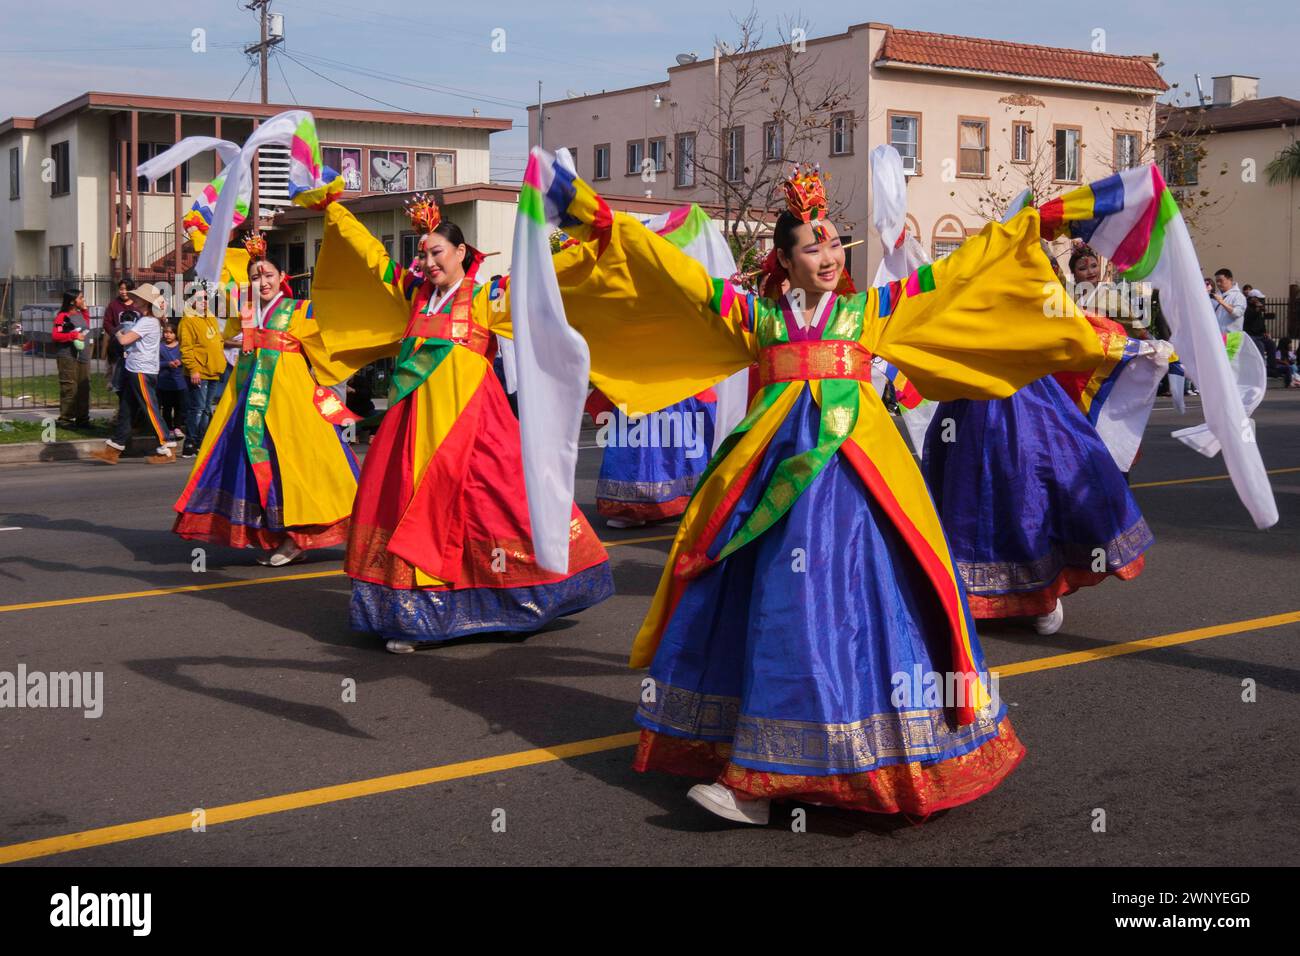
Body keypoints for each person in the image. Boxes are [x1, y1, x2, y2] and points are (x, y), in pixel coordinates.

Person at [504, 156, 1102, 823]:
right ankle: (758, 772)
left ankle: (835, 763)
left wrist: (1046, 217)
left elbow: (960, 270)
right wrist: (587, 211)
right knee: (773, 614)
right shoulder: (756, 318)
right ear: (783, 262)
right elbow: (673, 275)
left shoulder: (871, 310)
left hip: (859, 492)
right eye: (810, 243)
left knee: (846, 614)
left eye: (830, 240)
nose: (825, 251)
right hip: (769, 488)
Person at [294, 190, 614, 652]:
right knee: (406, 509)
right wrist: (333, 210)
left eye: (436, 251)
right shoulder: (414, 295)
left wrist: (587, 234)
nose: (427, 261)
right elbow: (372, 257)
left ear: (462, 252)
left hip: (473, 427)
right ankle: (413, 617)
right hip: (412, 429)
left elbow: (548, 275)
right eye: (422, 253)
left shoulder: (487, 297)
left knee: (497, 508)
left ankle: (516, 600)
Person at [172, 235, 360, 566]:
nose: (263, 282)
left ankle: (298, 537)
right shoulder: (245, 313)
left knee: (296, 467)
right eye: (256, 276)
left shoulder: (299, 311)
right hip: (250, 403)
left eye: (269, 274)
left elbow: (329, 346)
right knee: (253, 466)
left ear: (282, 276)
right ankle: (276, 534)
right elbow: (229, 344)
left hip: (291, 404)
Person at [89, 283, 176, 465]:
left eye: (137, 297)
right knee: (127, 409)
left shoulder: (147, 322)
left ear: (145, 302)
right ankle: (114, 448)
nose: (133, 299)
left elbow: (125, 340)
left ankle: (166, 447)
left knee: (149, 408)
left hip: (141, 371)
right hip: (136, 369)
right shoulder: (148, 320)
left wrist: (118, 331)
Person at [178, 285, 227, 458]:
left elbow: (218, 341)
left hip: (213, 371)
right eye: (199, 299)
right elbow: (186, 348)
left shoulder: (210, 317)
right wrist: (193, 370)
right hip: (199, 372)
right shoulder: (188, 321)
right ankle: (190, 443)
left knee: (206, 409)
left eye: (205, 298)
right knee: (197, 409)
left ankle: (202, 442)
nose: (204, 302)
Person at [51, 289, 92, 427]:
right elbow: (56, 336)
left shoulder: (80, 314)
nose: (83, 300)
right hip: (68, 357)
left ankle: (83, 419)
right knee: (69, 387)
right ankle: (65, 419)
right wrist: (73, 336)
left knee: (84, 387)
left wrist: (85, 311)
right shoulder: (62, 316)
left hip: (83, 357)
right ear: (73, 301)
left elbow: (86, 327)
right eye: (81, 298)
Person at [156, 323, 189, 440]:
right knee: (167, 407)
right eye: (166, 332)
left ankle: (178, 427)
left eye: (171, 332)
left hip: (179, 382)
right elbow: (155, 363)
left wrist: (180, 362)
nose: (168, 335)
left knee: (179, 406)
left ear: (176, 334)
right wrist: (167, 364)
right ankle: (168, 428)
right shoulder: (160, 347)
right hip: (164, 382)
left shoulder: (181, 346)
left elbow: (187, 358)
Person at [101, 278, 135, 385]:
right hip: (117, 346)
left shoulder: (138, 304)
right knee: (118, 377)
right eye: (121, 289)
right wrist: (116, 333)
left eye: (127, 289)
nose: (124, 292)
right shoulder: (113, 305)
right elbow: (107, 323)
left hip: (135, 346)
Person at [1211, 268, 1246, 333]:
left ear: (1230, 280)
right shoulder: (1217, 296)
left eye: (1221, 281)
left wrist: (1222, 302)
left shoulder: (1238, 296)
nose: (1218, 283)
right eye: (1217, 281)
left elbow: (1237, 313)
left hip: (1232, 337)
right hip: (1218, 336)